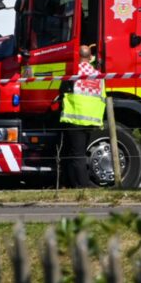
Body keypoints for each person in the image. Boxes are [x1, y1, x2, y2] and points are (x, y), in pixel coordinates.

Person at [60, 44, 106, 187]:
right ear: (89, 58)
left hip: (75, 117)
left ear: (77, 57)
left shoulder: (73, 72)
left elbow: (63, 92)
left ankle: (82, 186)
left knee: (76, 155)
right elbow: (103, 96)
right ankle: (72, 184)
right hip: (92, 119)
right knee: (79, 153)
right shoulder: (98, 75)